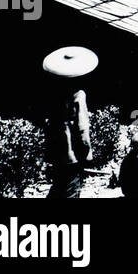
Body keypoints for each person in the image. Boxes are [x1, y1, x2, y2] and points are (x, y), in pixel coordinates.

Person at [42, 46, 97, 199]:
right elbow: (82, 127)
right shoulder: (79, 95)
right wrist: (87, 153)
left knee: (59, 185)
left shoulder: (54, 94)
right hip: (72, 153)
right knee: (72, 188)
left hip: (57, 150)